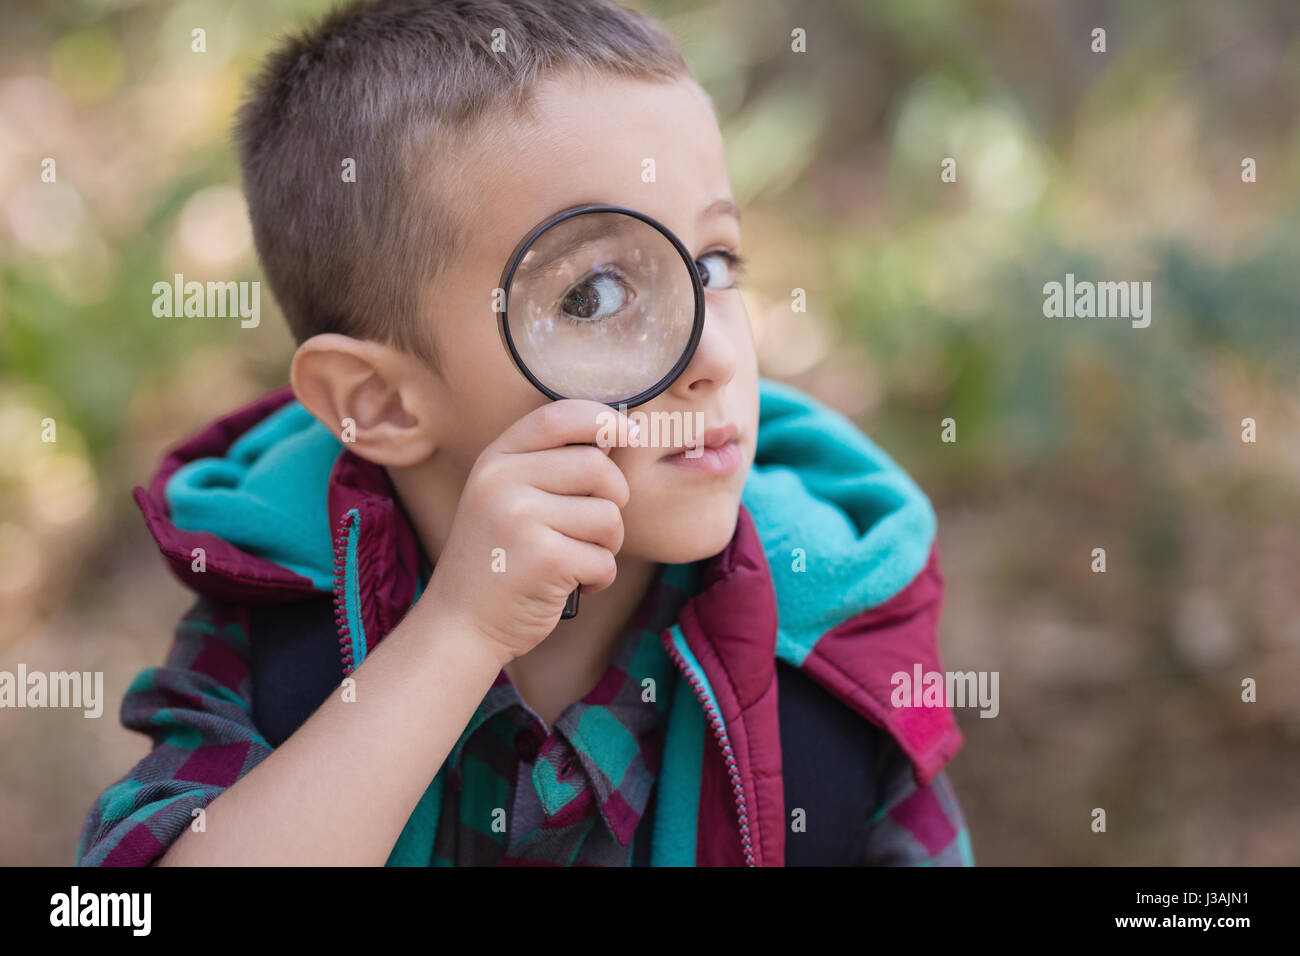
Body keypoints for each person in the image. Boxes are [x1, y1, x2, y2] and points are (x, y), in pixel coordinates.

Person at [77, 0, 973, 866]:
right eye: (597, 295)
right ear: (381, 401)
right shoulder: (277, 635)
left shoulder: (830, 654)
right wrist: (459, 634)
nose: (713, 356)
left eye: (713, 264)